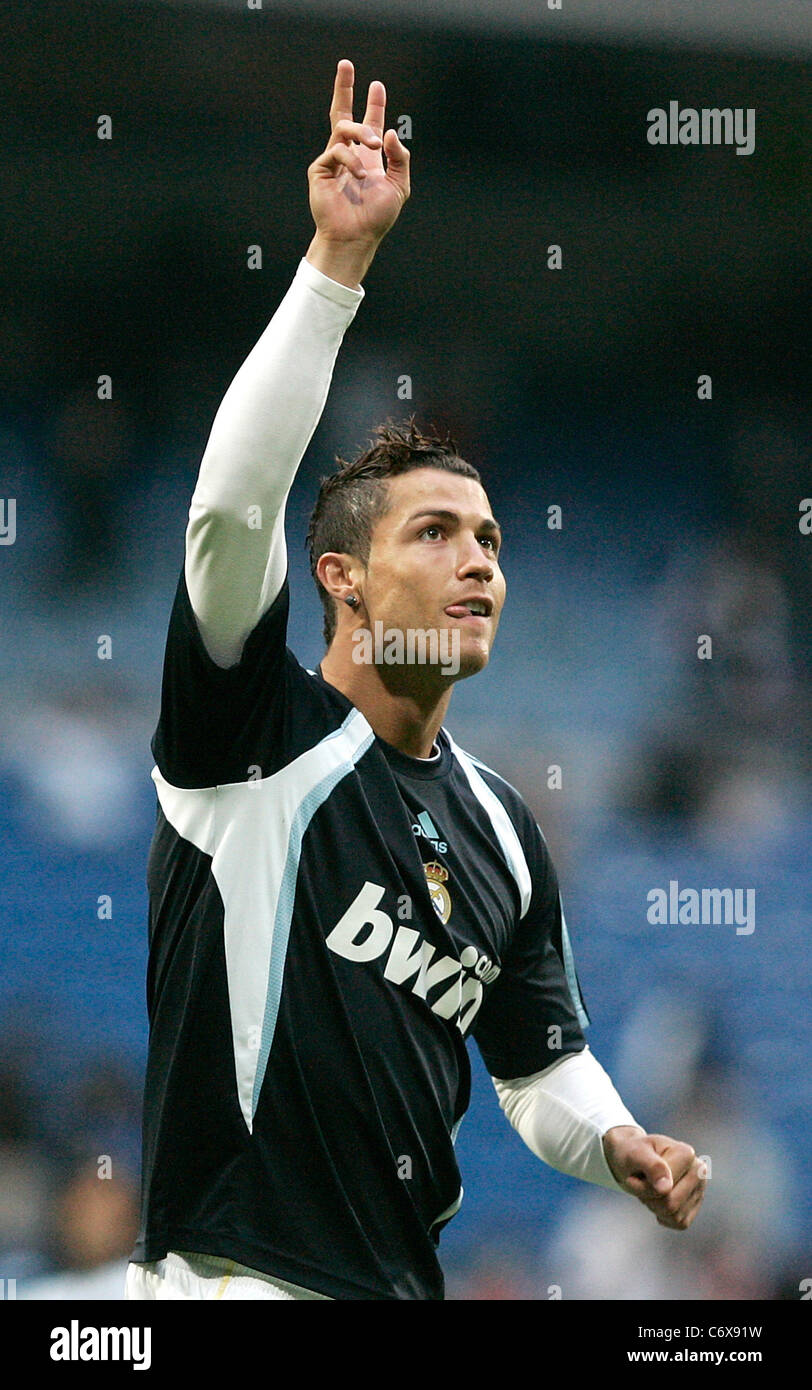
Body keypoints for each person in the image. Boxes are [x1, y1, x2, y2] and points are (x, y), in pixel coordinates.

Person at [126, 59, 706, 1302]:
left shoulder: (501, 830)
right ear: (337, 575)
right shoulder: (252, 733)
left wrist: (613, 1143)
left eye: (491, 540)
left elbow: (537, 1065)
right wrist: (335, 267)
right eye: (435, 534)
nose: (477, 563)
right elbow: (230, 507)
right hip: (230, 1281)